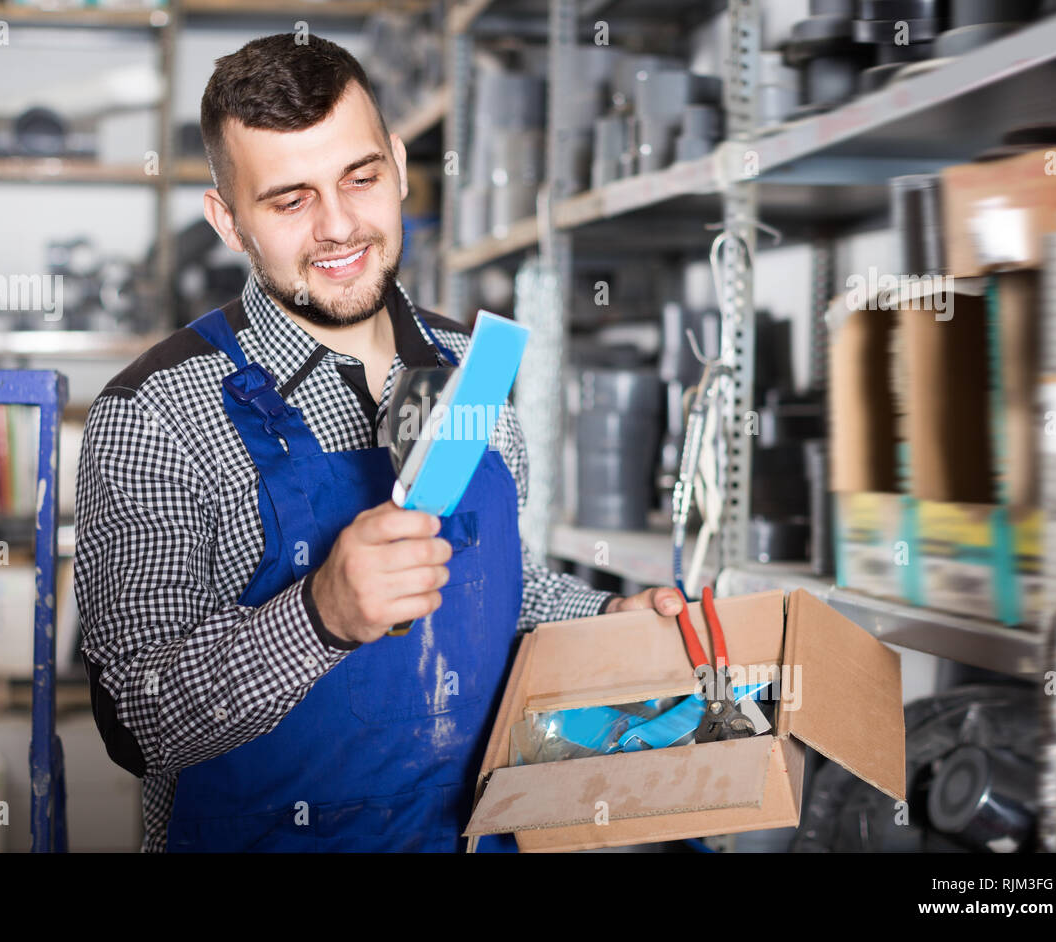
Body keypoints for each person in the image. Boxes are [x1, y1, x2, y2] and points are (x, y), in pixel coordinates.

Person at [74, 32, 684, 853]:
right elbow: (137, 721)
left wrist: (608, 616)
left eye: (360, 178)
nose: (338, 227)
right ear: (227, 220)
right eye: (290, 201)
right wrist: (320, 614)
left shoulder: (470, 368)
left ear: (397, 164)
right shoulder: (158, 412)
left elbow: (495, 584)